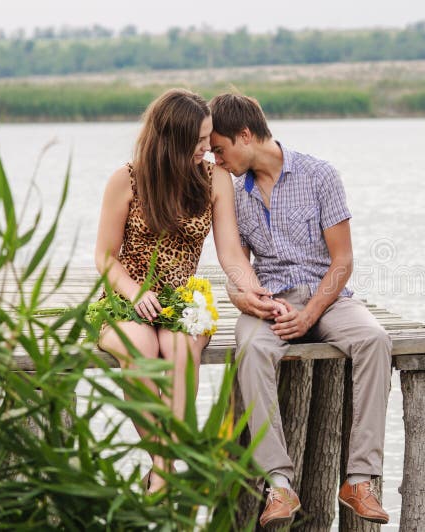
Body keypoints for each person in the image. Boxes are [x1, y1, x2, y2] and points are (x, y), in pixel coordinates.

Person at [209, 93, 392, 527]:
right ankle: (280, 485)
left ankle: (360, 479)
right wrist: (243, 299)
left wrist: (309, 314)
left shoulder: (319, 176)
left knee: (375, 340)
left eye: (219, 148)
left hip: (325, 298)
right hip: (270, 301)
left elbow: (343, 262)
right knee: (250, 349)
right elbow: (236, 264)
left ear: (246, 135)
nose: (217, 159)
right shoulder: (234, 194)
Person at [94, 88, 268, 493]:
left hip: (182, 298)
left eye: (209, 138)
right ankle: (164, 464)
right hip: (128, 293)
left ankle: (164, 466)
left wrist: (252, 289)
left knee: (177, 350)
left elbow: (230, 252)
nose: (208, 148)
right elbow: (104, 257)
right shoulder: (127, 179)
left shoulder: (214, 177)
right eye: (200, 140)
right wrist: (135, 292)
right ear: (171, 140)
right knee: (138, 349)